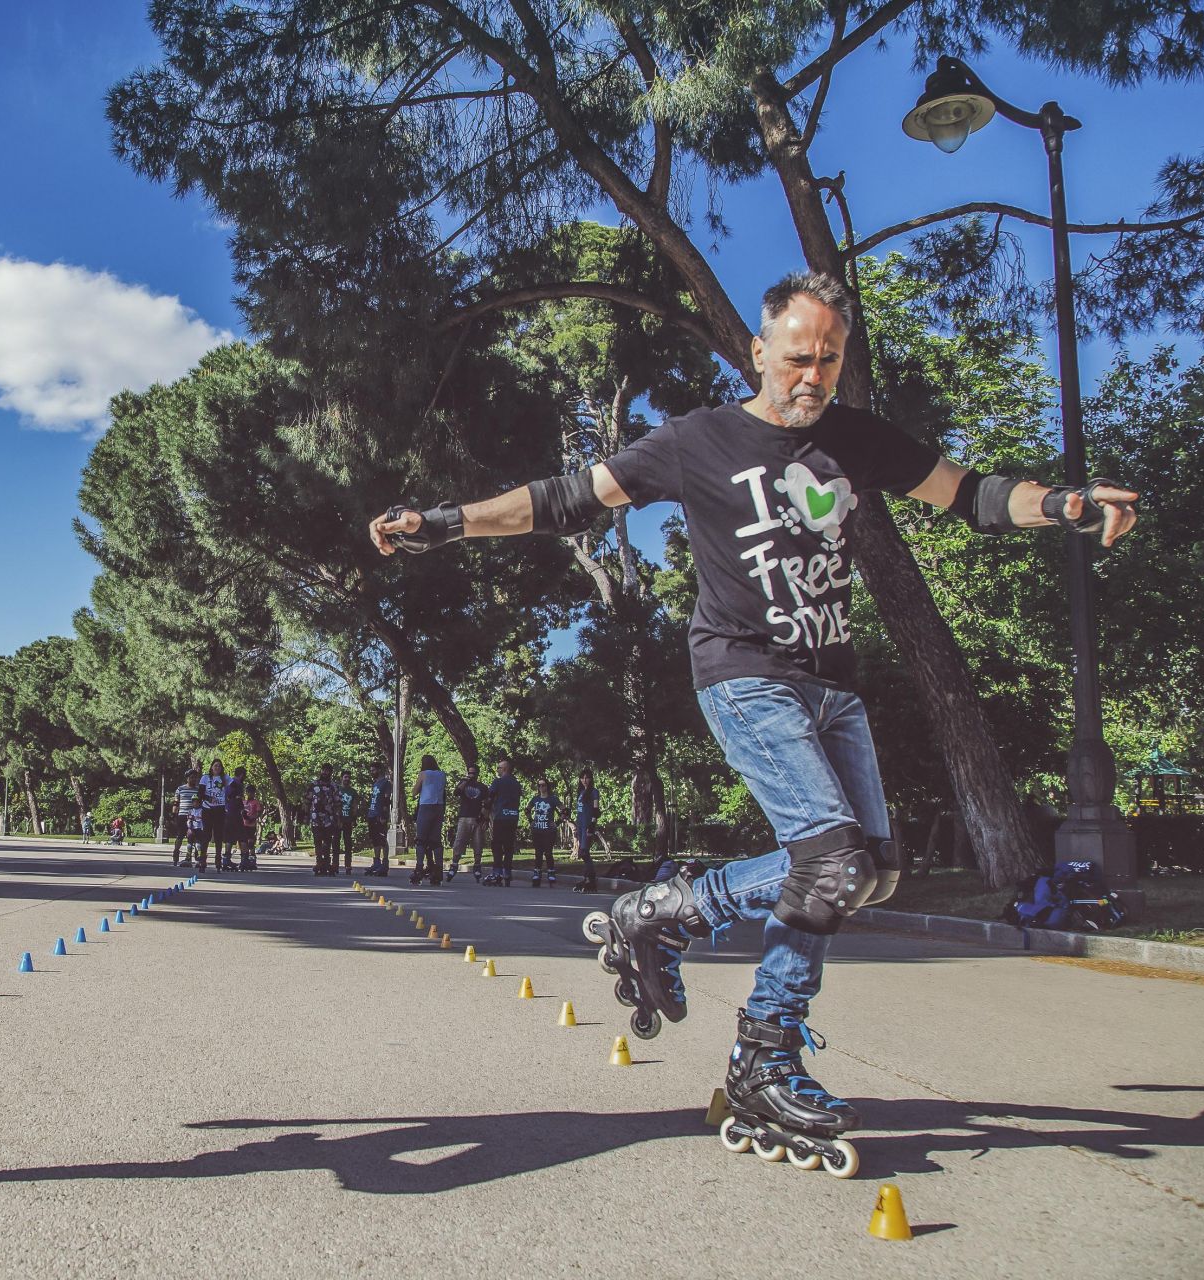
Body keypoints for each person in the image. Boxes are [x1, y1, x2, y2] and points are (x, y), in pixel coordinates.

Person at [368, 269, 1140, 1174]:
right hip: (743, 673)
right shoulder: (698, 440)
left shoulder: (856, 438)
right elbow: (568, 497)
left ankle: (666, 911)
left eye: (831, 360)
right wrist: (448, 524)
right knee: (830, 860)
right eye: (800, 358)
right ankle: (765, 1054)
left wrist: (1061, 505)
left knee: (873, 875)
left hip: (834, 683)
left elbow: (967, 492)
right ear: (760, 351)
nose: (814, 376)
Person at [409, 754, 447, 885]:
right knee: (435, 840)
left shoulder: (423, 774)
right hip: (439, 808)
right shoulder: (442, 775)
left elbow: (414, 792)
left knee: (421, 840)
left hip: (426, 807)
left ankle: (419, 868)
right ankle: (438, 870)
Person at [483, 759, 522, 886]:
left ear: (504, 769)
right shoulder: (516, 783)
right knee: (509, 846)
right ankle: (507, 872)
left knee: (497, 845)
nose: (497, 770)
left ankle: (497, 872)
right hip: (513, 817)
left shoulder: (498, 782)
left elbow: (489, 799)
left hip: (501, 817)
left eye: (499, 768)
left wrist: (485, 815)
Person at [448, 765, 488, 883]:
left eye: (474, 773)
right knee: (459, 842)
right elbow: (456, 792)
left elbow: (487, 803)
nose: (472, 775)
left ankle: (477, 866)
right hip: (464, 817)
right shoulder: (463, 784)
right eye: (470, 773)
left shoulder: (482, 787)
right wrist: (465, 781)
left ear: (478, 774)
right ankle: (454, 864)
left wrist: (485, 819)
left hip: (477, 818)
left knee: (478, 843)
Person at [305, 764, 342, 875]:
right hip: (316, 817)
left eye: (327, 771)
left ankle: (326, 861)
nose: (325, 773)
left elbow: (338, 803)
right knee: (317, 841)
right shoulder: (314, 785)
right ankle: (319, 861)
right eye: (323, 770)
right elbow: (307, 801)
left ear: (331, 773)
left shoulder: (333, 786)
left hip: (329, 818)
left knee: (327, 841)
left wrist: (338, 818)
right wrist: (306, 815)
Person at [528, 778, 562, 887]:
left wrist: (558, 822)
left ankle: (551, 872)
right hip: (537, 829)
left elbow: (565, 810)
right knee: (538, 853)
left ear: (547, 786)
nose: (541, 787)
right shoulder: (535, 799)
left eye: (543, 785)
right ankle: (537, 873)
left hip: (548, 830)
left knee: (548, 852)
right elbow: (527, 810)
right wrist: (530, 821)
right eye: (539, 785)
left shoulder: (553, 799)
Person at [571, 769, 600, 892]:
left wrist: (592, 824)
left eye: (587, 778)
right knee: (582, 853)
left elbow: (596, 809)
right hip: (581, 825)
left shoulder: (594, 792)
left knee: (584, 852)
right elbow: (580, 811)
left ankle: (591, 880)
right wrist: (577, 827)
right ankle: (587, 878)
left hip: (588, 825)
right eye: (582, 778)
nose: (584, 780)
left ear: (591, 779)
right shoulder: (581, 792)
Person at [200, 758, 230, 872]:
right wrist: (208, 798)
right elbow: (200, 793)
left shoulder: (225, 778)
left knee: (218, 836)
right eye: (215, 765)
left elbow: (235, 787)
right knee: (206, 835)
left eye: (219, 766)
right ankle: (203, 861)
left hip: (220, 809)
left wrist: (231, 796)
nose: (217, 768)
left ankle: (218, 861)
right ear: (211, 767)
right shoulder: (205, 778)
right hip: (207, 808)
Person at [363, 764, 392, 876]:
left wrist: (384, 815)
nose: (372, 772)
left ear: (379, 770)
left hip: (380, 814)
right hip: (372, 814)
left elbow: (386, 799)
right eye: (371, 770)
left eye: (374, 770)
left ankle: (385, 863)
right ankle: (376, 862)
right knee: (375, 839)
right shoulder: (375, 783)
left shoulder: (385, 783)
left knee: (382, 838)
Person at [170, 769, 201, 866]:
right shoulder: (180, 789)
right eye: (191, 778)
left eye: (195, 778)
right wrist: (174, 815)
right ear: (187, 778)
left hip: (194, 816)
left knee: (194, 836)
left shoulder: (198, 789)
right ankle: (176, 853)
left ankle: (196, 857)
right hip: (182, 815)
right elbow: (176, 802)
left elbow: (201, 802)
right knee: (180, 835)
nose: (193, 779)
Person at [222, 765, 248, 871]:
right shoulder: (237, 784)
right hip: (235, 813)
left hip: (228, 812)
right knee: (242, 837)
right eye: (244, 775)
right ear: (241, 774)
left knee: (229, 838)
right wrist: (242, 809)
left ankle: (226, 859)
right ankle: (244, 860)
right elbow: (235, 798)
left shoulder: (229, 782)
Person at [335, 770, 359, 877]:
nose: (347, 779)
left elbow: (354, 806)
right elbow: (334, 805)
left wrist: (354, 819)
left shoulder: (353, 792)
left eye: (349, 777)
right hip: (337, 820)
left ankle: (348, 865)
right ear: (341, 778)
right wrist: (337, 818)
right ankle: (334, 865)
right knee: (335, 843)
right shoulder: (337, 790)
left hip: (348, 820)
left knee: (348, 844)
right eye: (345, 777)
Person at [241, 786, 263, 869]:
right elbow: (240, 811)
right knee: (243, 843)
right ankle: (244, 859)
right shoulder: (243, 802)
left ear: (254, 793)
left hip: (251, 825)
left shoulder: (255, 802)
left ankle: (252, 860)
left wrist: (254, 818)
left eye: (252, 792)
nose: (250, 794)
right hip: (243, 825)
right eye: (248, 792)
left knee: (250, 843)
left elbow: (259, 811)